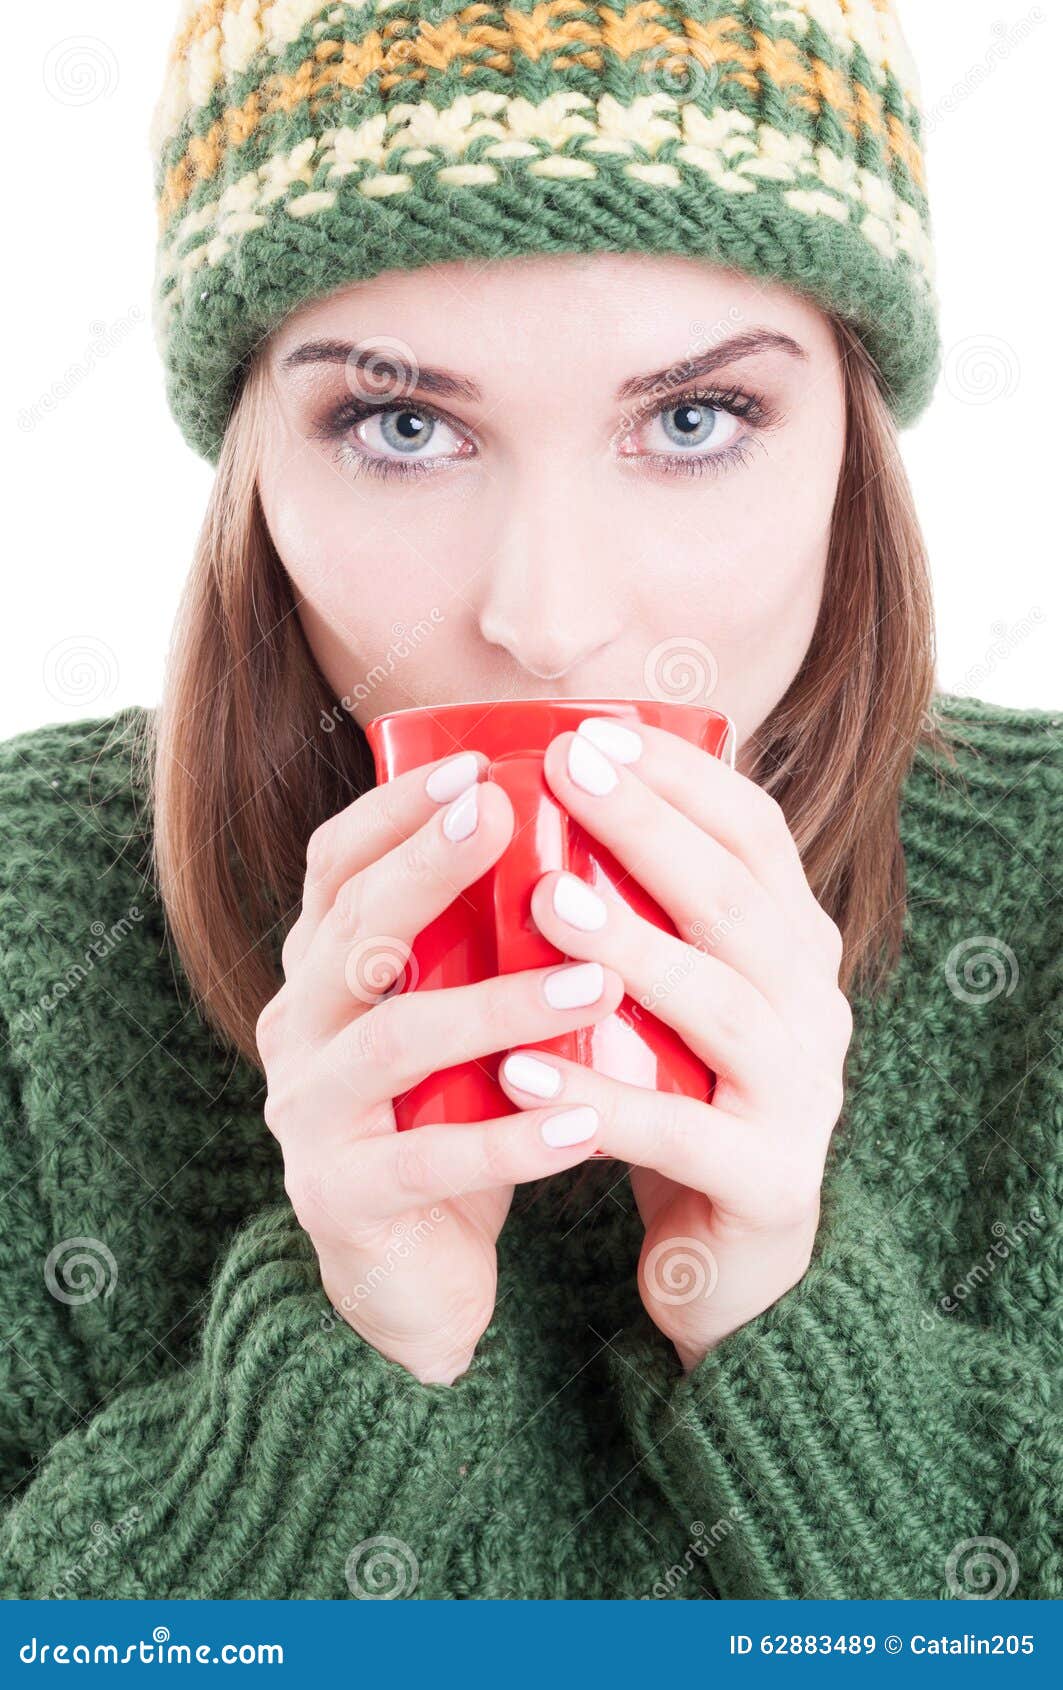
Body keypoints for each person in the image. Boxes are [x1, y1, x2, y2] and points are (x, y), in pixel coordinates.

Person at [1, 0, 1059, 1602]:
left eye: (695, 419)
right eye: (404, 426)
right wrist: (342, 1364)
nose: (550, 614)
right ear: (253, 464)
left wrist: (790, 1322)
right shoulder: (33, 924)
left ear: (854, 432)